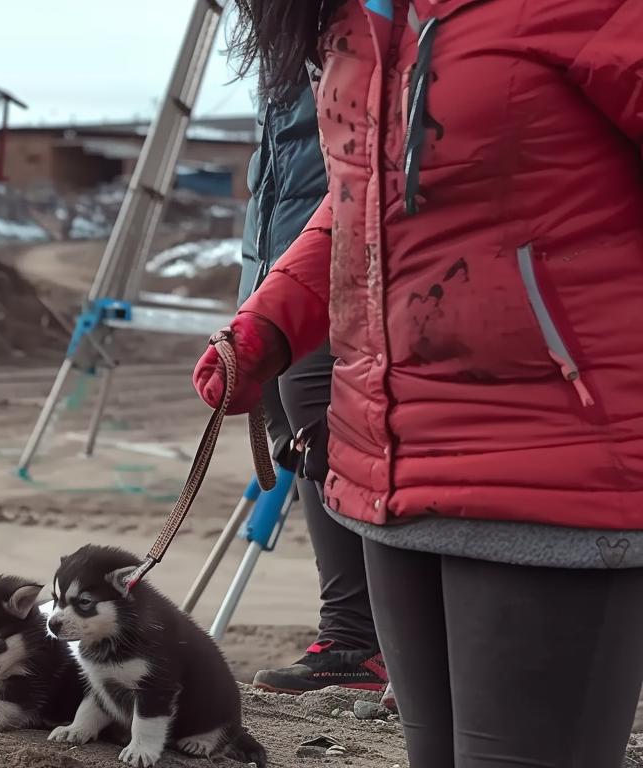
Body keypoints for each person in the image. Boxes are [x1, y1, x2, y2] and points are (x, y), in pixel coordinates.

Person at [197, 0, 643, 766]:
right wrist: (271, 320)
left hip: (556, 471)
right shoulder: (360, 20)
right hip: (388, 469)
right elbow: (359, 203)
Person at [240, 67, 388, 697]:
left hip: (339, 254)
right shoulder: (290, 42)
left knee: (327, 432)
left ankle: (362, 640)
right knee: (297, 438)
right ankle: (352, 635)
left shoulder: (360, 28)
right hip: (277, 254)